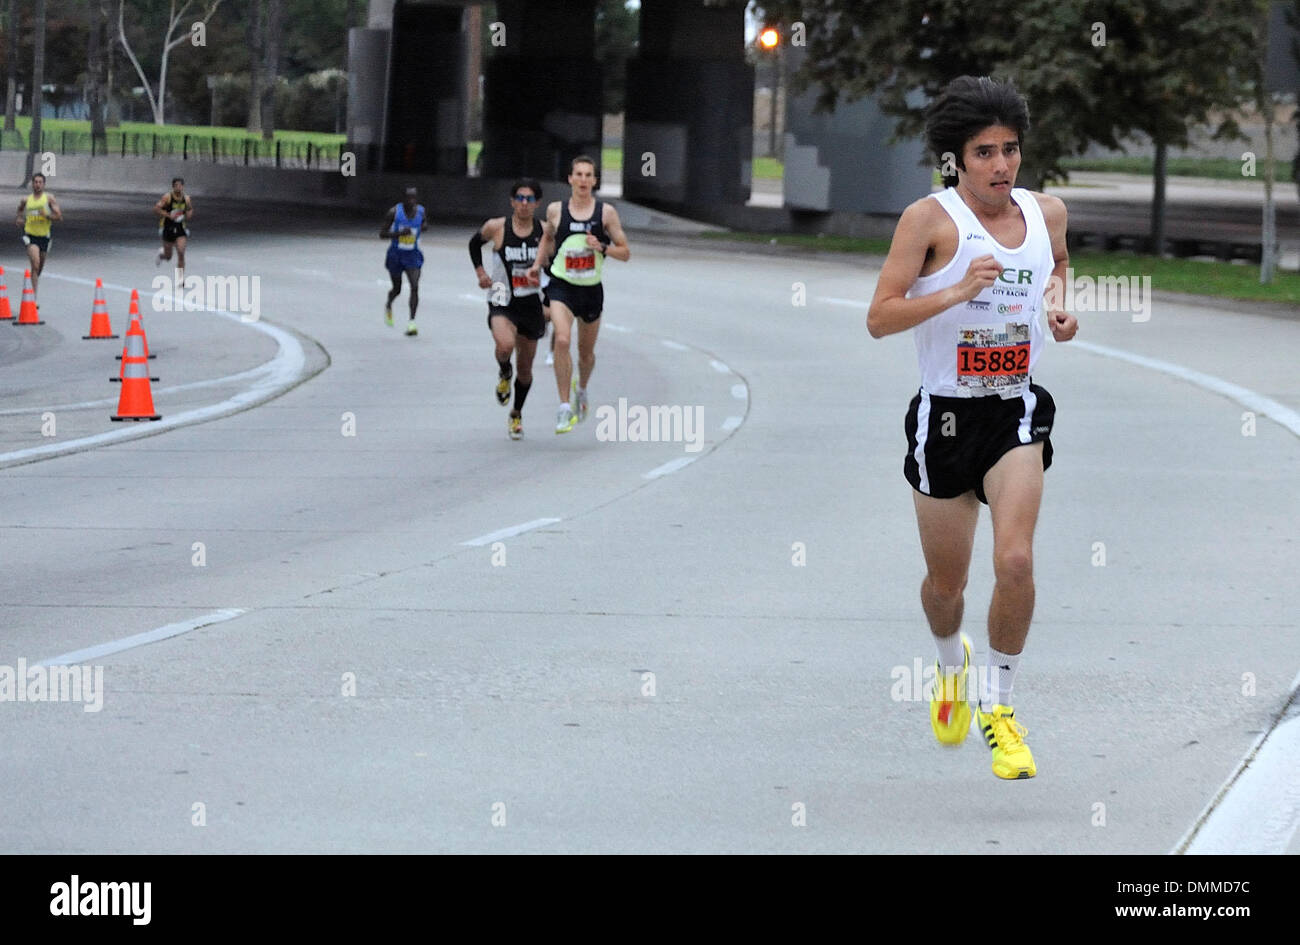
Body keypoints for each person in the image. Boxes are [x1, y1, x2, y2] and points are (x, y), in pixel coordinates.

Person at [866, 76, 1078, 780]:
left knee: (1014, 561)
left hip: (1015, 407)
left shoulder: (1047, 213)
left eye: (1010, 149)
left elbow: (1058, 267)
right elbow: (879, 317)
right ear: (957, 158)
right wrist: (956, 290)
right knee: (945, 584)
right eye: (984, 151)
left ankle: (999, 703)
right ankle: (948, 662)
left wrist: (1058, 309)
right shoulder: (929, 221)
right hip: (945, 415)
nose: (1000, 165)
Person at [528, 155, 629, 434]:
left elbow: (625, 252)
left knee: (586, 355)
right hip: (562, 285)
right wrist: (537, 265)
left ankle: (581, 389)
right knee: (561, 339)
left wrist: (602, 247)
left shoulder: (605, 213)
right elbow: (547, 238)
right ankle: (563, 408)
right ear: (570, 179)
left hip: (591, 290)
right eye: (579, 174)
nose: (583, 180)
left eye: (588, 175)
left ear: (594, 181)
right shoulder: (555, 210)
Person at [469, 179, 547, 440]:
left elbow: (556, 265)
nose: (524, 204)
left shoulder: (545, 232)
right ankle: (504, 371)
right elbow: (473, 244)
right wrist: (481, 272)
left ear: (537, 203)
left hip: (531, 304)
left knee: (525, 370)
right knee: (504, 346)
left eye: (530, 199)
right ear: (512, 201)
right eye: (520, 198)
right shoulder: (497, 227)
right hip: (502, 298)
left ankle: (516, 413)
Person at [381, 187, 429, 336]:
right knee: (397, 289)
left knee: (414, 286)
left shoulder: (421, 211)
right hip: (396, 255)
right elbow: (382, 234)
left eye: (414, 198)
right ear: (403, 199)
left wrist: (424, 227)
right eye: (408, 198)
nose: (411, 201)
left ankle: (412, 323)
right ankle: (389, 303)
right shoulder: (394, 212)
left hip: (412, 255)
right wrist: (399, 233)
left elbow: (424, 224)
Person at [15, 173, 61, 299]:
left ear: (44, 184)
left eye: (40, 182)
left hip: (44, 236)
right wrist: (19, 218)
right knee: (35, 263)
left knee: (39, 267)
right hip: (30, 235)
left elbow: (58, 216)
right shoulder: (26, 199)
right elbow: (19, 209)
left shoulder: (49, 199)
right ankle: (33, 299)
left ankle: (32, 284)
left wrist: (46, 215)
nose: (37, 184)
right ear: (32, 184)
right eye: (35, 182)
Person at [154, 177, 193, 279]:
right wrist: (168, 215)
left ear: (183, 186)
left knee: (181, 252)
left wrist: (188, 215)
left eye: (180, 185)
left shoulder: (187, 199)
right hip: (167, 227)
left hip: (180, 228)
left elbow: (190, 210)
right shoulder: (167, 197)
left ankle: (180, 279)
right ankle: (161, 254)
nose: (178, 187)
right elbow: (156, 209)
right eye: (176, 186)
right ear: (173, 187)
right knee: (168, 256)